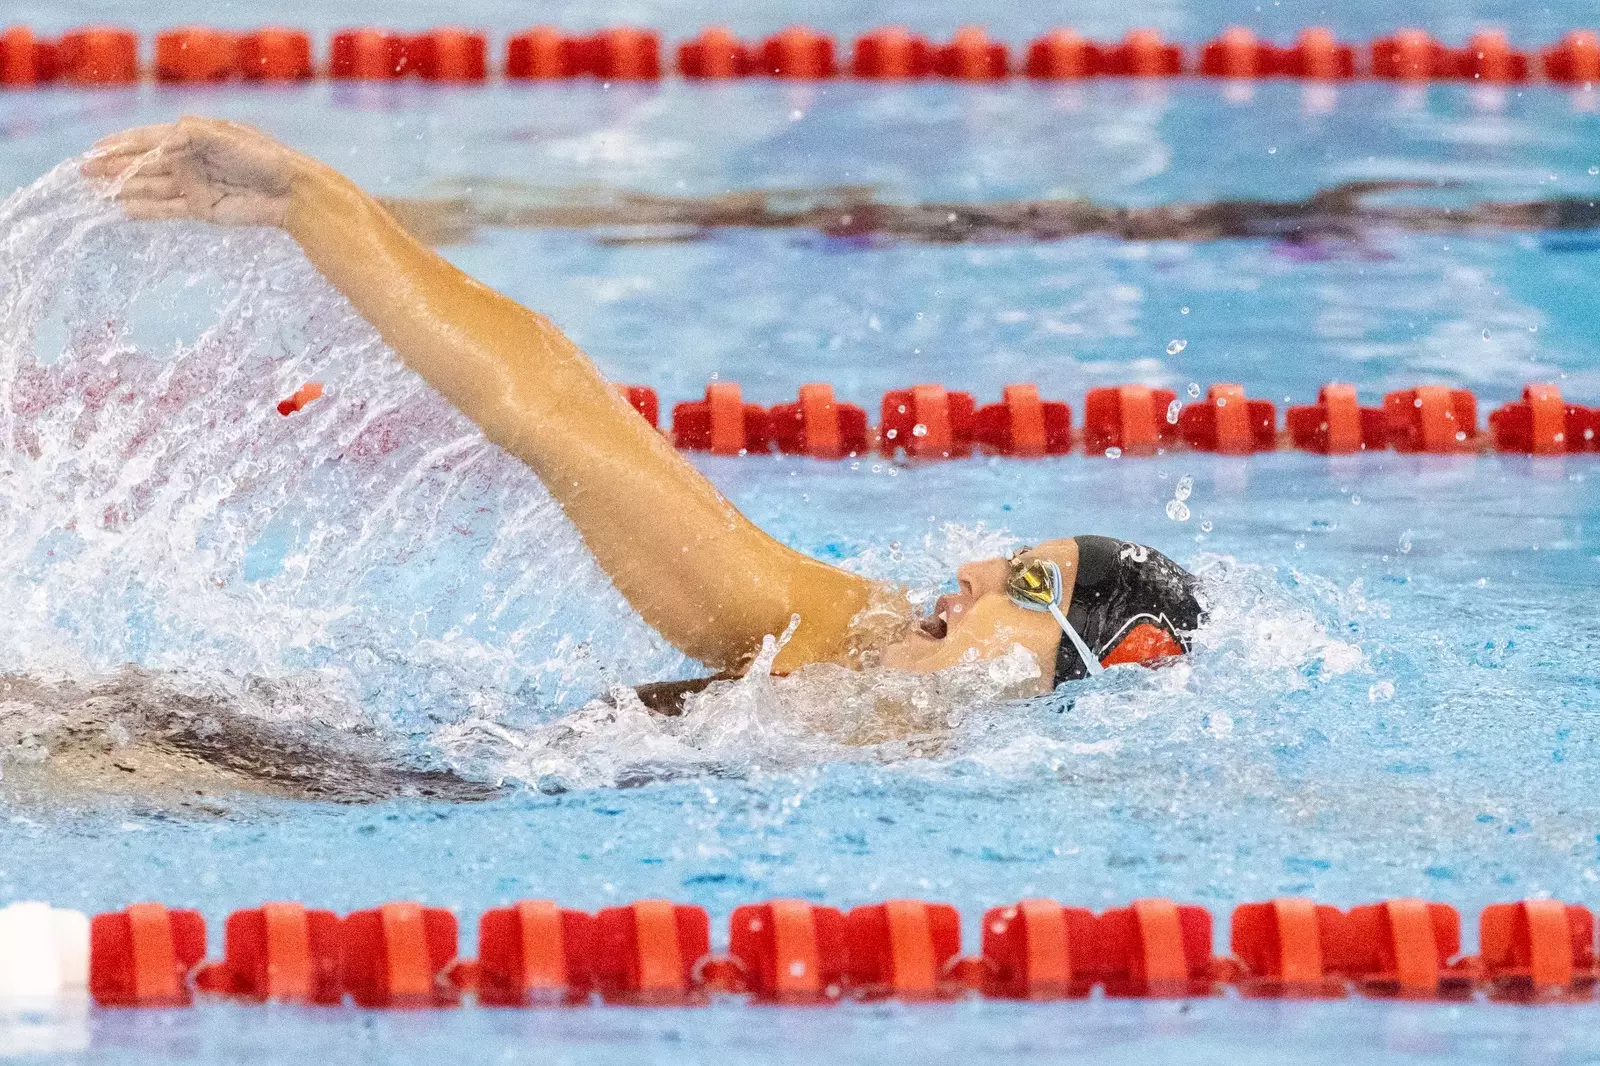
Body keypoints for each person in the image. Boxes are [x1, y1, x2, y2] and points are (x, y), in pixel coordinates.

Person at [84, 118, 1204, 705]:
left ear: (1117, 666)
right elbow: (563, 416)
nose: (965, 570)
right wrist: (314, 203)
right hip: (354, 771)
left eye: (1023, 585)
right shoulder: (835, 641)